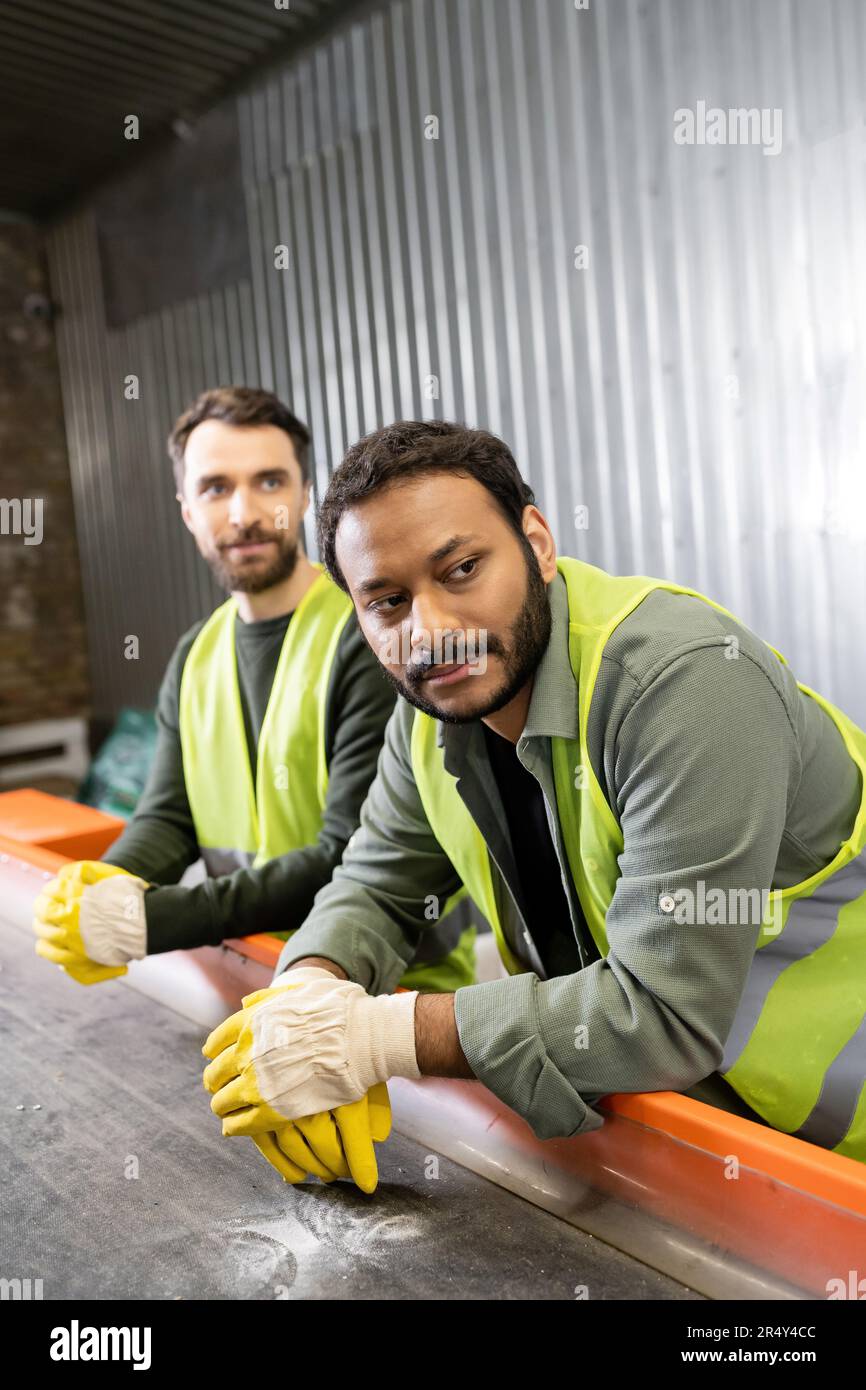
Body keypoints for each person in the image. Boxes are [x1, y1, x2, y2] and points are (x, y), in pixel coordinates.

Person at [203, 418, 866, 1173]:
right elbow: (379, 886)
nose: (434, 632)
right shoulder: (429, 716)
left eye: (460, 571)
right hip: (708, 1154)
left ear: (538, 543)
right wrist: (307, 994)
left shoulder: (685, 684)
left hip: (845, 1149)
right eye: (387, 601)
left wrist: (375, 1038)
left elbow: (660, 1015)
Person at [31, 391, 475, 992]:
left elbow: (345, 856)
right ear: (187, 510)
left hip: (387, 985)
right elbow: (167, 819)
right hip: (250, 970)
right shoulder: (196, 654)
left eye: (269, 482)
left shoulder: (372, 634)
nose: (244, 513)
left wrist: (151, 921)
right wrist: (105, 885)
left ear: (303, 495)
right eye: (215, 488)